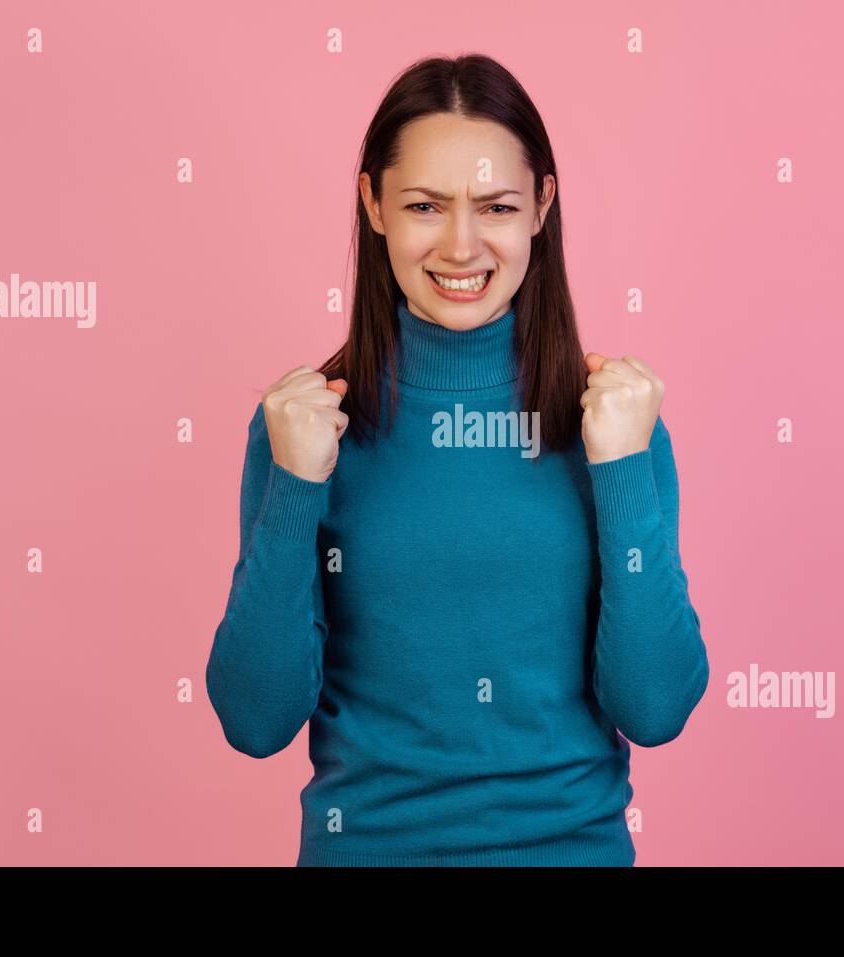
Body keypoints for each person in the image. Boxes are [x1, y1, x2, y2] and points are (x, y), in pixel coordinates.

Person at [205, 53, 709, 867]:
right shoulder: (304, 427)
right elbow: (254, 719)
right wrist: (297, 487)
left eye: (497, 205)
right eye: (425, 206)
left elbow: (654, 707)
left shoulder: (616, 424)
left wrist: (620, 469)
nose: (462, 245)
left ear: (542, 205)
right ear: (373, 204)